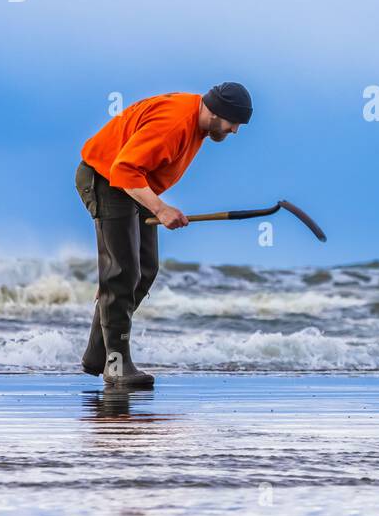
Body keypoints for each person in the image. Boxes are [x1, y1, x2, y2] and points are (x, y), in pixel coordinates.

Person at [74, 82, 252, 388]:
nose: (235, 130)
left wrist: (158, 205)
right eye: (234, 122)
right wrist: (162, 209)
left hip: (133, 185)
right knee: (122, 272)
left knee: (145, 269)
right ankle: (116, 366)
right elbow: (124, 169)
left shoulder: (197, 124)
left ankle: (97, 355)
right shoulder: (175, 123)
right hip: (107, 179)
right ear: (219, 112)